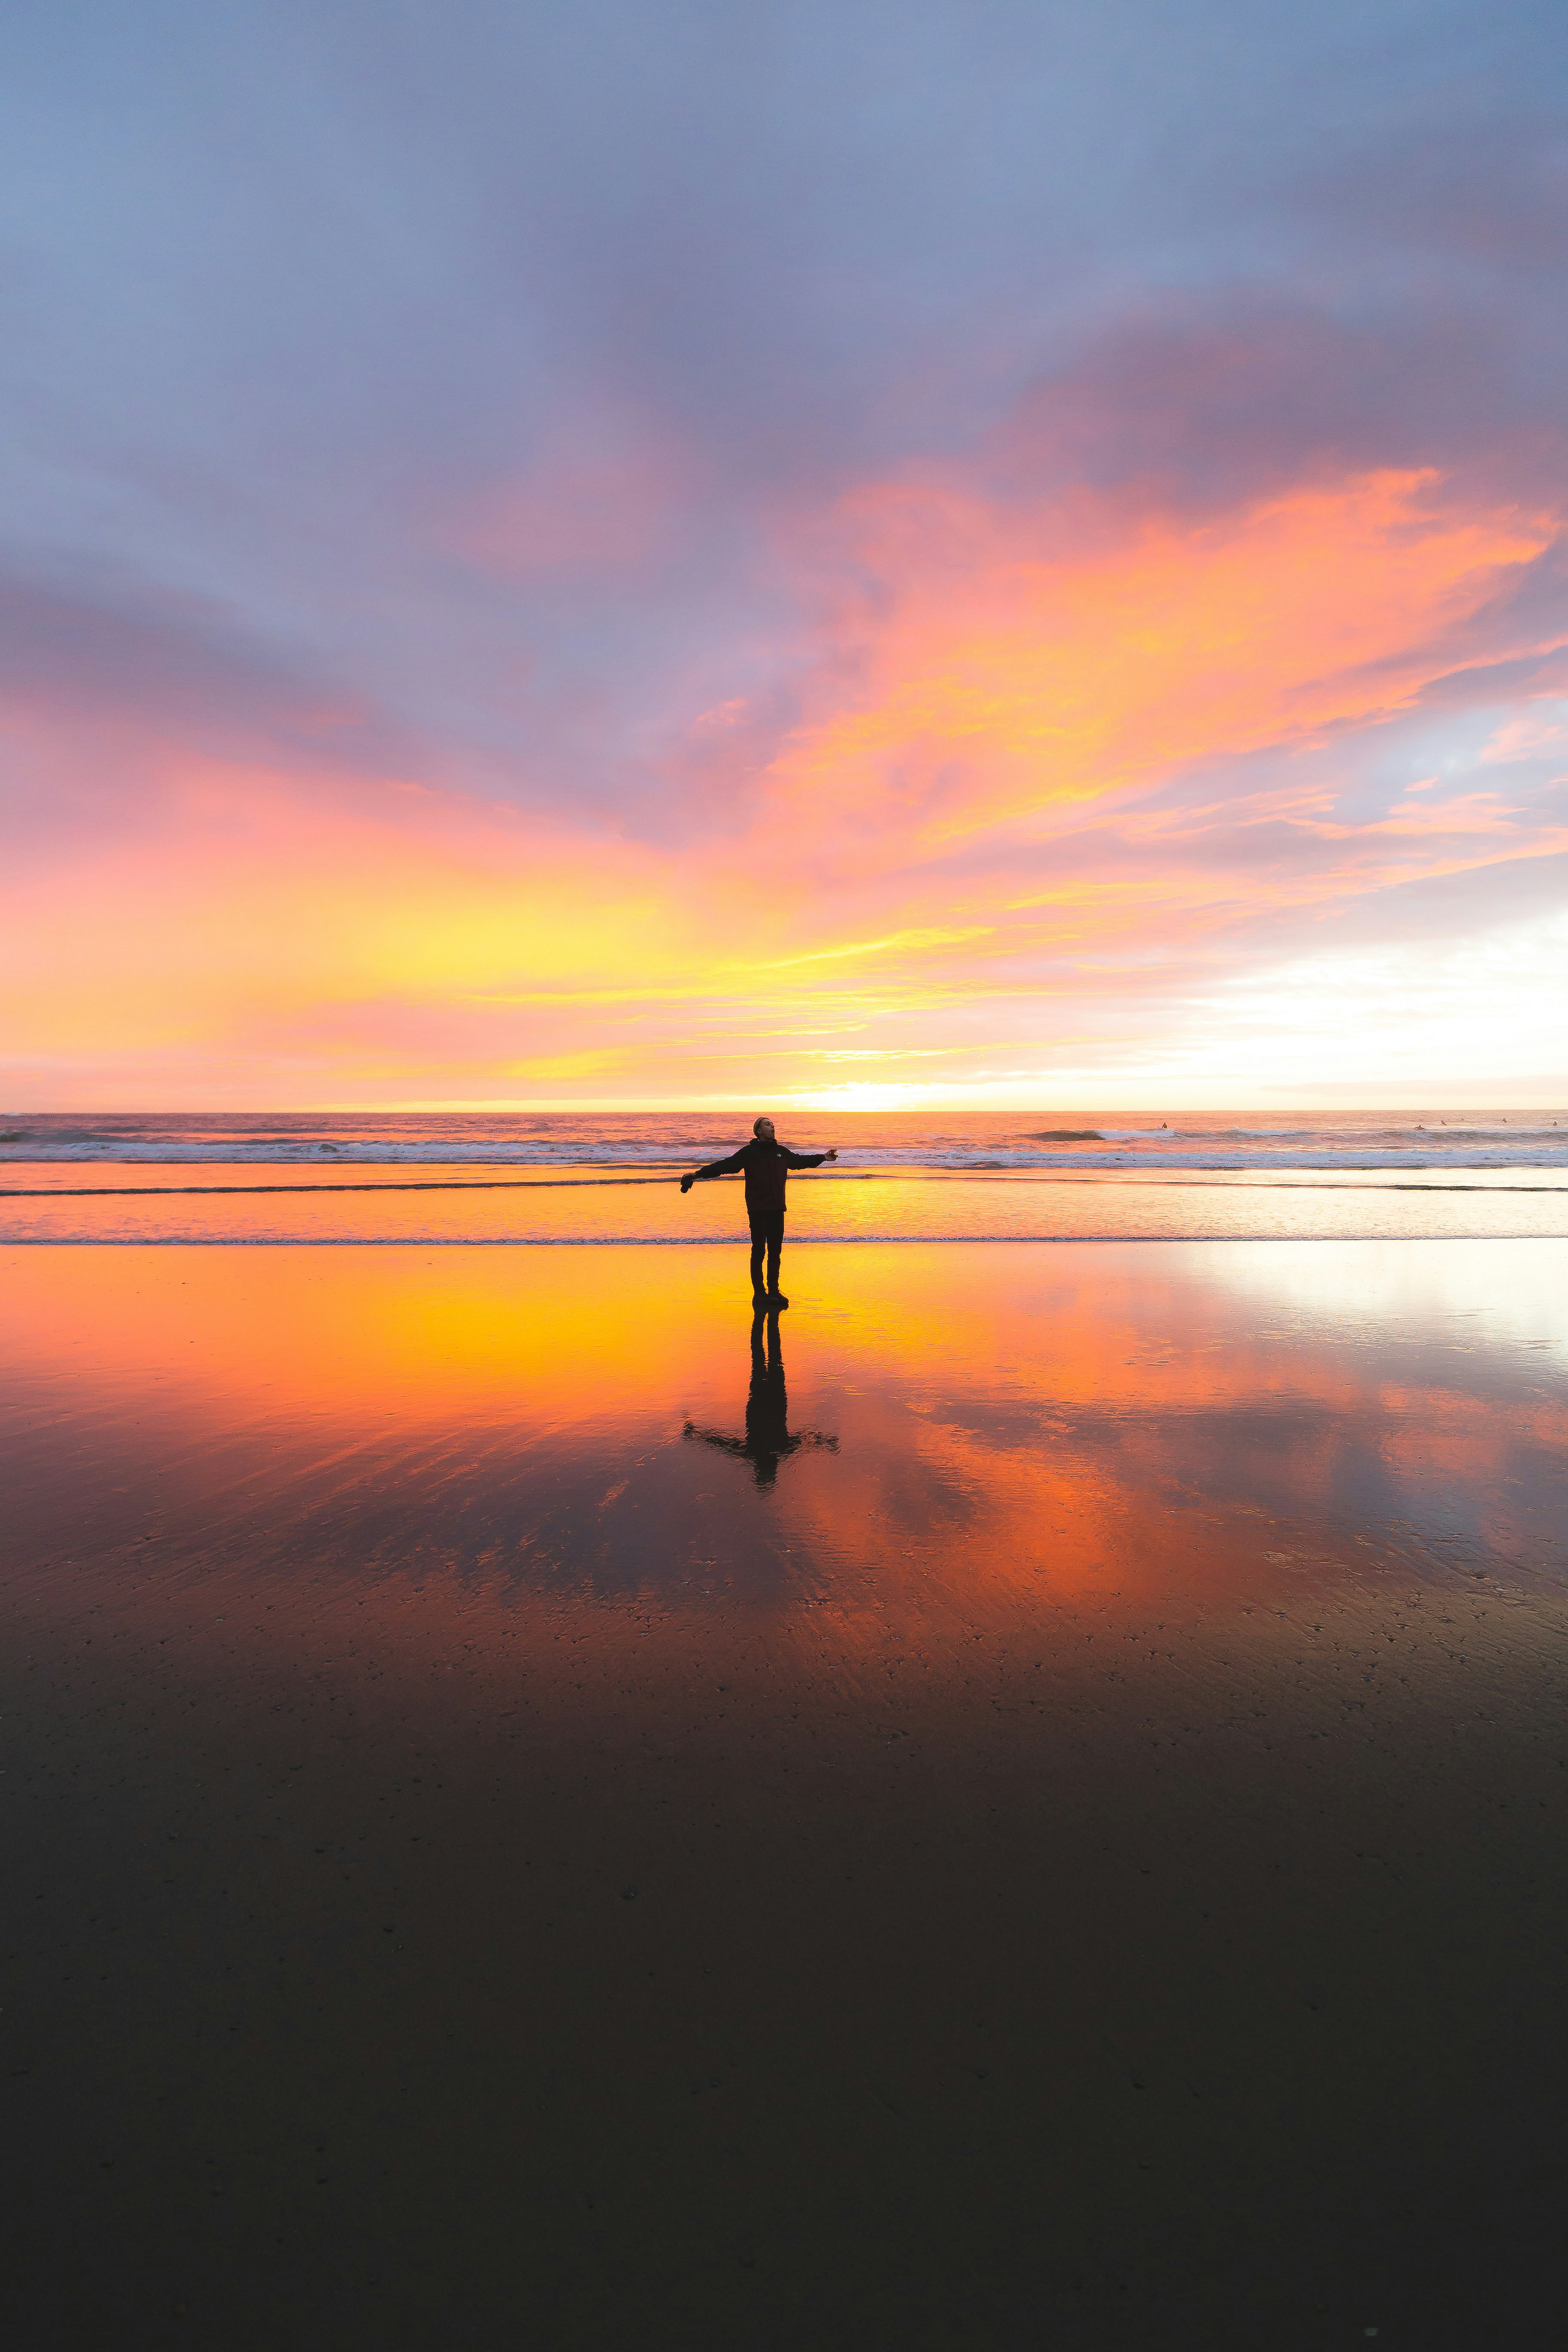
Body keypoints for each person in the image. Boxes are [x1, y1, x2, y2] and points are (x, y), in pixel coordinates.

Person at [680, 1116, 837, 1306]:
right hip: (758, 1209)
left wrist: (823, 1157)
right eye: (768, 1124)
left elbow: (800, 1161)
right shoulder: (749, 1152)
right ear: (759, 1131)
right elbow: (724, 1166)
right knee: (759, 1252)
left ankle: (774, 1292)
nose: (773, 1126)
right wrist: (698, 1174)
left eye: (772, 1124)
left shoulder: (781, 1152)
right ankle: (759, 1293)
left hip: (777, 1208)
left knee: (775, 1252)